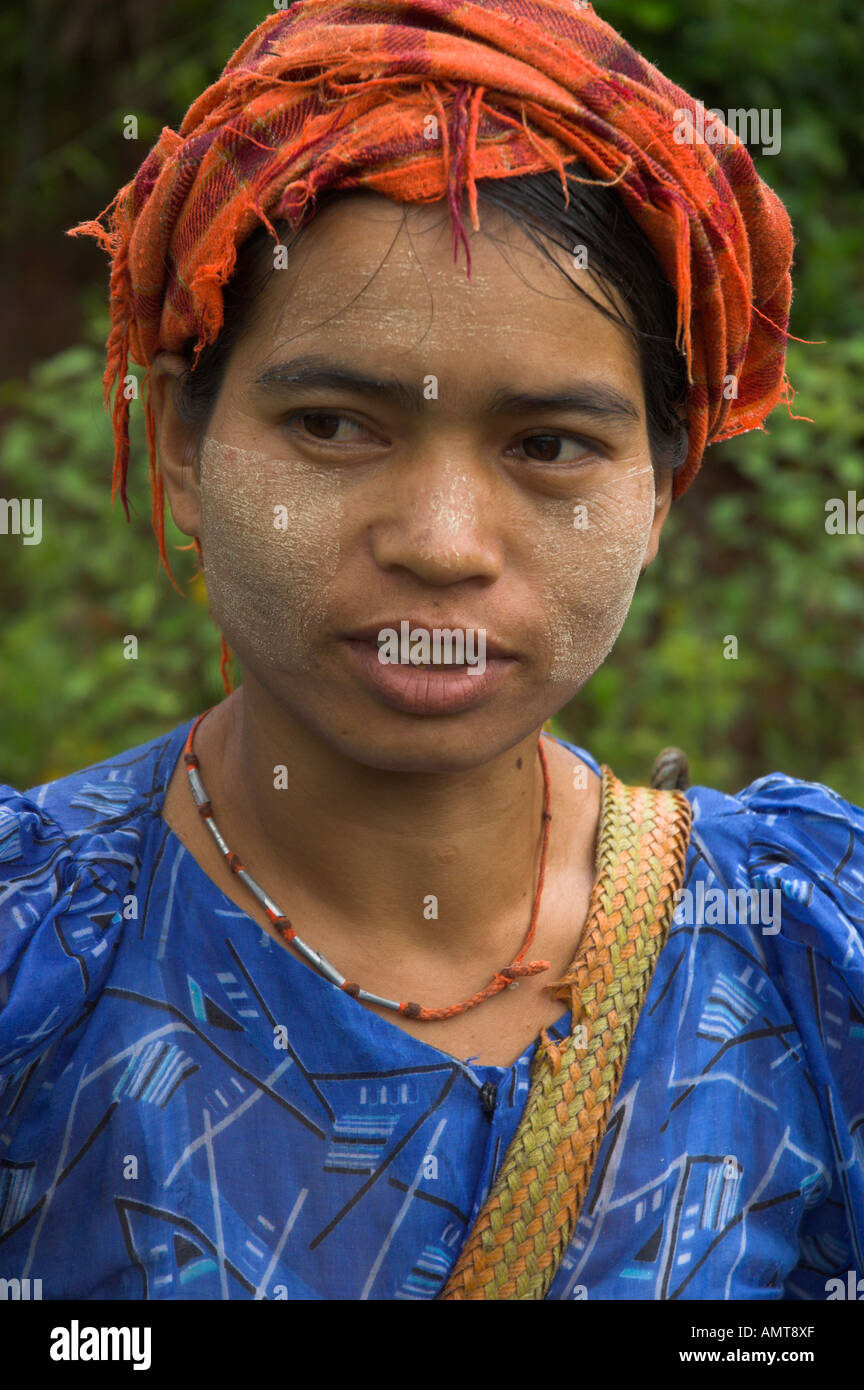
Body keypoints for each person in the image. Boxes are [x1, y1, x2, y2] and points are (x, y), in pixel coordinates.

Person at [0, 0, 861, 1302]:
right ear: (181, 443)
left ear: (664, 488)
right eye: (335, 424)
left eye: (548, 446)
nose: (444, 543)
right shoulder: (36, 961)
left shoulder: (809, 967)